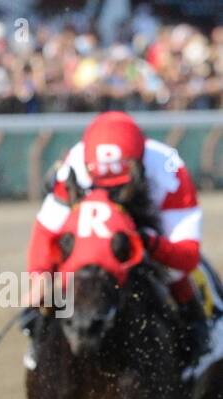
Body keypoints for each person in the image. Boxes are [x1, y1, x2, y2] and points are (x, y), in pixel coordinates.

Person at [23, 110, 209, 369]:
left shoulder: (170, 172)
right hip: (93, 238)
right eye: (103, 183)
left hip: (150, 232)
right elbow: (46, 231)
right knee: (53, 281)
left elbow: (186, 256)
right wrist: (39, 275)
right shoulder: (75, 164)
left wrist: (149, 242)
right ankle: (39, 334)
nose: (112, 191)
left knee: (174, 274)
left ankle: (194, 324)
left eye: (119, 184)